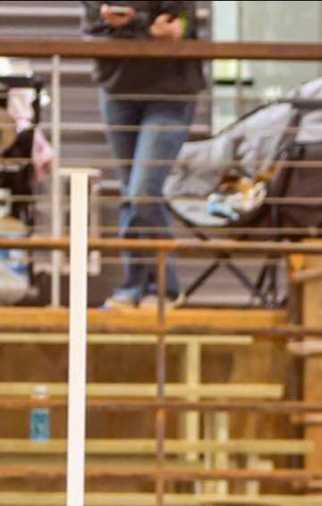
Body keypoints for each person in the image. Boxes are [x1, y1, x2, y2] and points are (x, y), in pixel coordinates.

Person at [82, 2, 207, 308]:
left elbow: (180, 24)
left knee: (142, 192)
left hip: (170, 92)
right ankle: (141, 286)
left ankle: (164, 288)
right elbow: (94, 23)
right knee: (133, 191)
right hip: (117, 88)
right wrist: (145, 26)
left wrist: (130, 24)